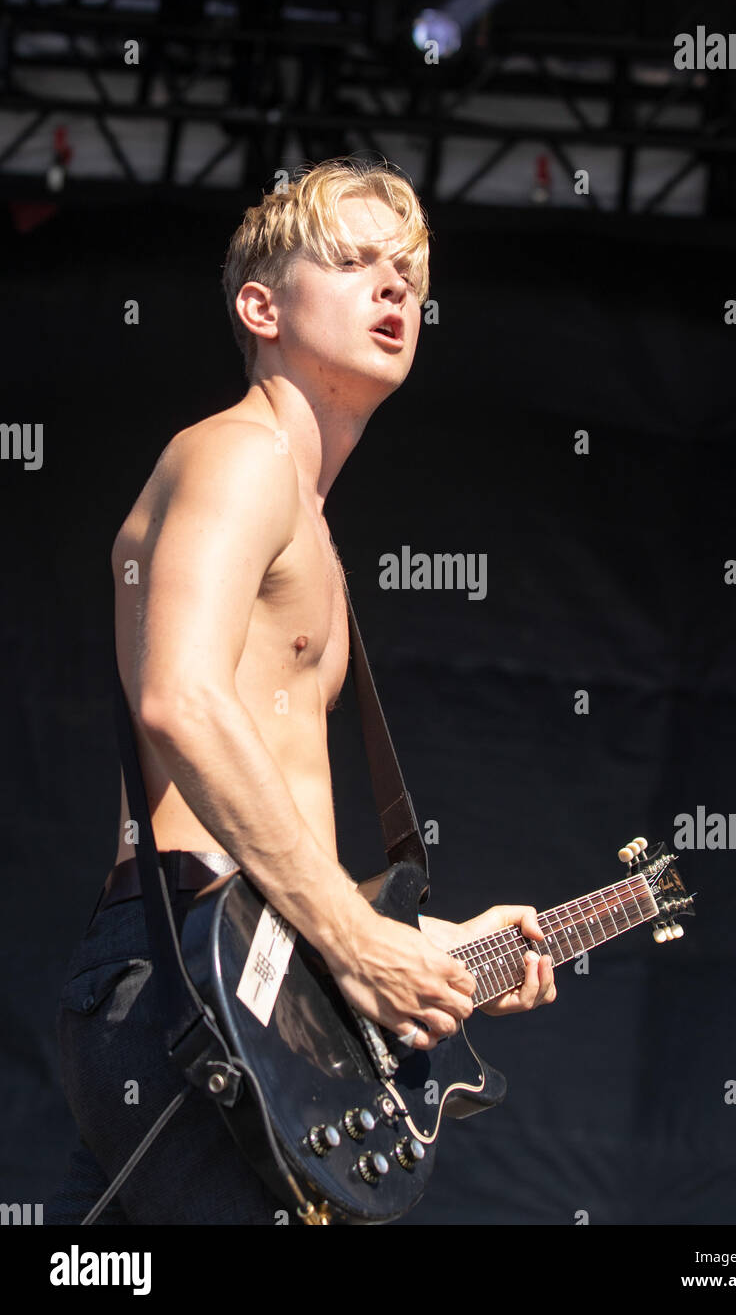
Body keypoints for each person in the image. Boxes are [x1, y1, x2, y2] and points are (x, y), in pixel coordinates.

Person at [46, 157, 557, 1226]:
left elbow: (286, 858)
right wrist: (358, 939)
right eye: (354, 260)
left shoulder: (314, 531)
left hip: (250, 967)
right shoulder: (238, 455)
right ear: (260, 306)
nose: (394, 288)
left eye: (408, 273)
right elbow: (179, 701)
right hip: (191, 960)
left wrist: (432, 946)